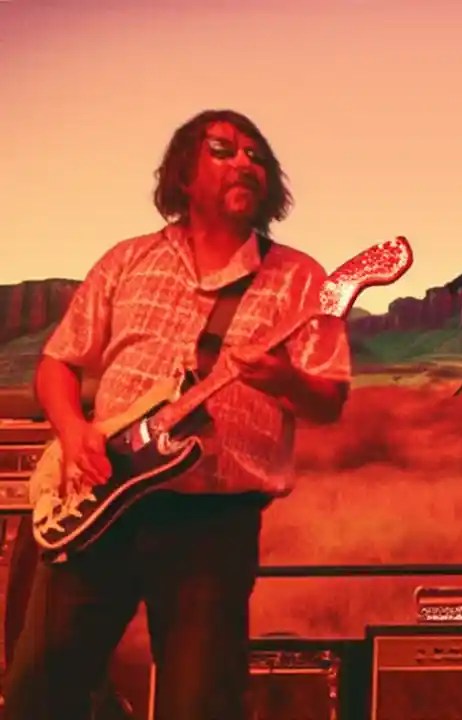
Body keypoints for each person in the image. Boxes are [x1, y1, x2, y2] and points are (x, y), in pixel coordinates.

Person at [4, 109, 352, 719]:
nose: (245, 161)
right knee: (42, 690)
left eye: (256, 155)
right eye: (223, 149)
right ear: (182, 176)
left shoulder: (300, 279)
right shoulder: (127, 260)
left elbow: (329, 400)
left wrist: (286, 380)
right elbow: (58, 364)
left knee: (202, 704)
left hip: (210, 524)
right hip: (97, 497)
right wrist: (74, 431)